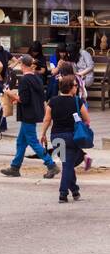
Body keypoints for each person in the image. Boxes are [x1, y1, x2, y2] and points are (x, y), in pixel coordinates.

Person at [0, 54, 59, 179]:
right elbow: (36, 97)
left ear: (22, 65)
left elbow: (24, 99)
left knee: (32, 141)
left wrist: (11, 94)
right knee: (21, 141)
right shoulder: (37, 77)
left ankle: (51, 164)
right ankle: (15, 167)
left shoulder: (25, 79)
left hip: (27, 115)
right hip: (34, 113)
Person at [41, 74, 93, 203]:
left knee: (67, 164)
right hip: (71, 137)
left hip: (56, 137)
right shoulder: (77, 101)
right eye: (75, 85)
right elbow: (87, 119)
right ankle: (63, 193)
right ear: (70, 87)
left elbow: (47, 119)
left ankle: (75, 191)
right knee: (68, 165)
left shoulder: (52, 101)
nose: (77, 88)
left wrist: (42, 134)